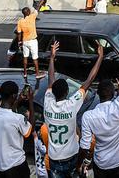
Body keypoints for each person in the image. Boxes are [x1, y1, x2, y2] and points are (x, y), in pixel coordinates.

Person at [80, 37, 119, 178]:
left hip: (102, 165)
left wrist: (83, 162)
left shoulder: (88, 117)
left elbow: (85, 146)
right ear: (113, 93)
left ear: (98, 94)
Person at [45, 38, 106, 178]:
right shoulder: (71, 105)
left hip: (54, 158)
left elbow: (50, 78)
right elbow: (89, 80)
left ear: (52, 92)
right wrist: (100, 57)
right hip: (71, 156)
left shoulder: (48, 102)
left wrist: (52, 57)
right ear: (67, 93)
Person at [0, 80, 34, 178]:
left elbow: (6, 113)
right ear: (13, 96)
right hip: (16, 166)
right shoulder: (18, 118)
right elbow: (29, 131)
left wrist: (17, 100)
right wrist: (30, 101)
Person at [16, 6, 41, 78]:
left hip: (25, 41)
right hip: (32, 41)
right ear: (28, 12)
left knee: (25, 57)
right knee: (35, 58)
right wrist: (41, 1)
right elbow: (37, 9)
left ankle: (25, 73)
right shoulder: (32, 17)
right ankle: (37, 74)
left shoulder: (20, 21)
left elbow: (19, 33)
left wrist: (19, 42)